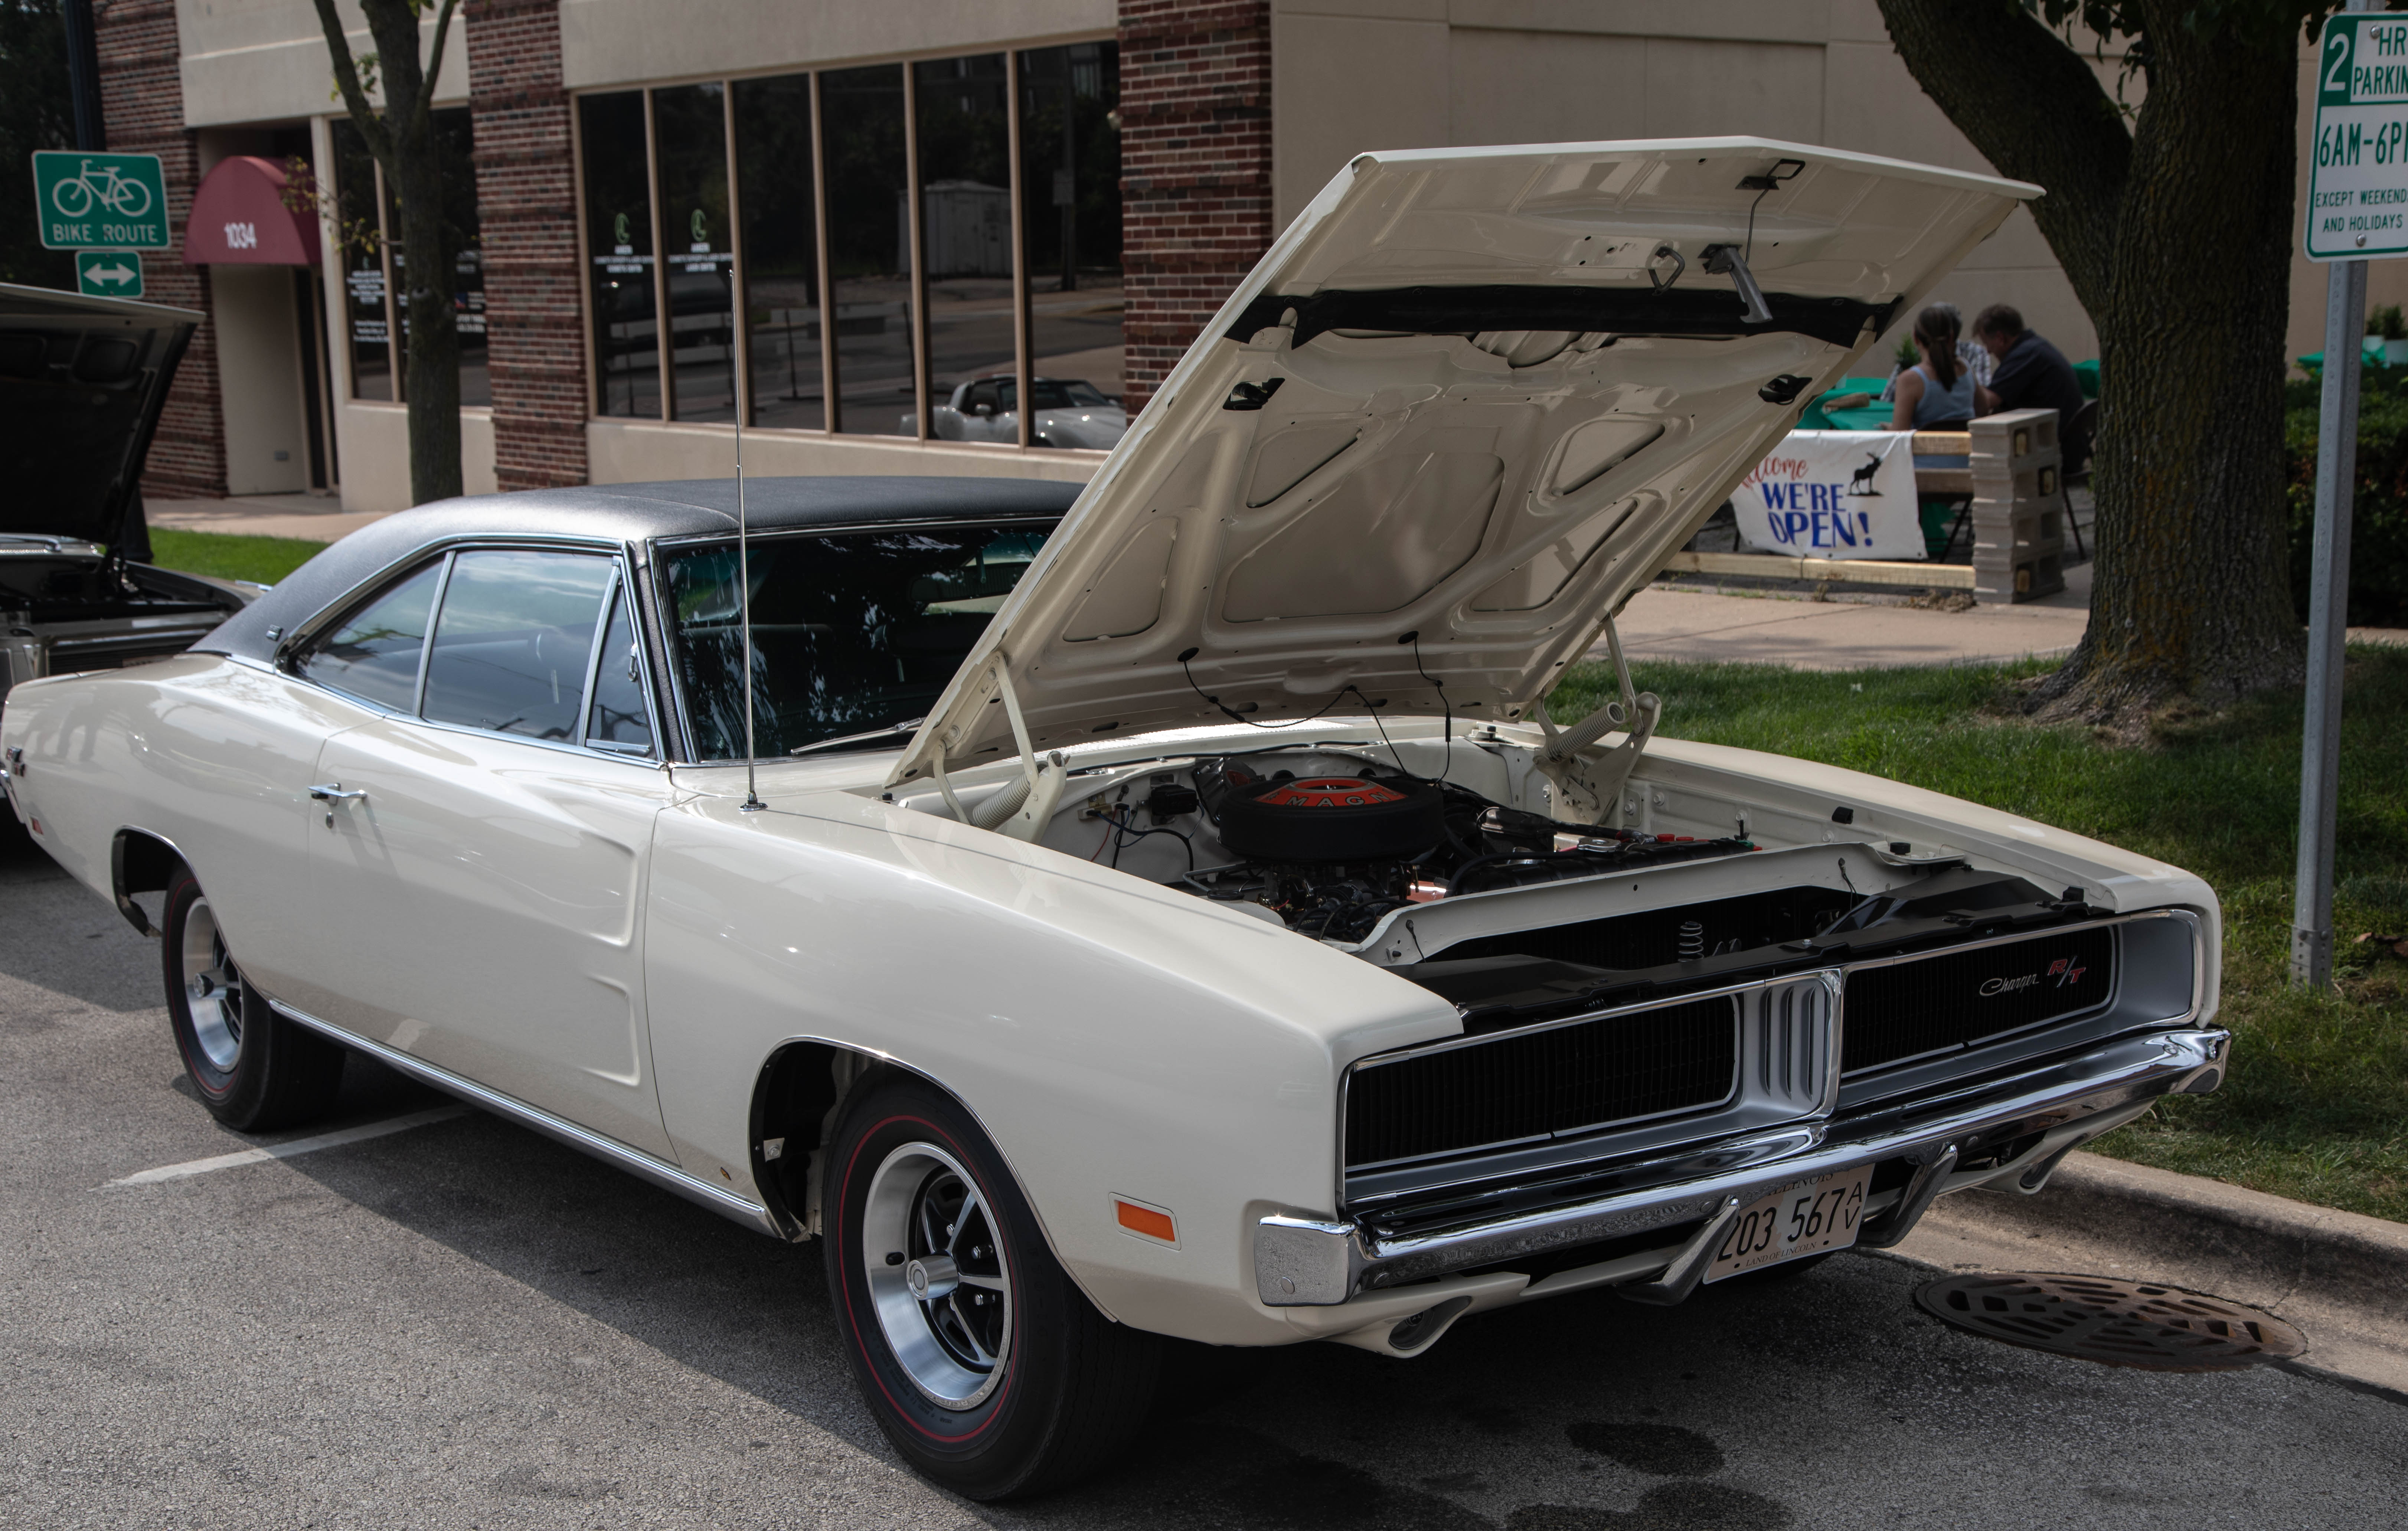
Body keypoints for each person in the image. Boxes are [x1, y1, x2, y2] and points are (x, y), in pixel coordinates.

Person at [1973, 303, 2090, 470]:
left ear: (2000, 338)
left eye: (1988, 344)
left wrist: (1965, 378)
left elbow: (1988, 400)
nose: (1989, 352)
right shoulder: (2036, 347)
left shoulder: (2024, 355)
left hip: (2056, 452)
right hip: (2069, 446)